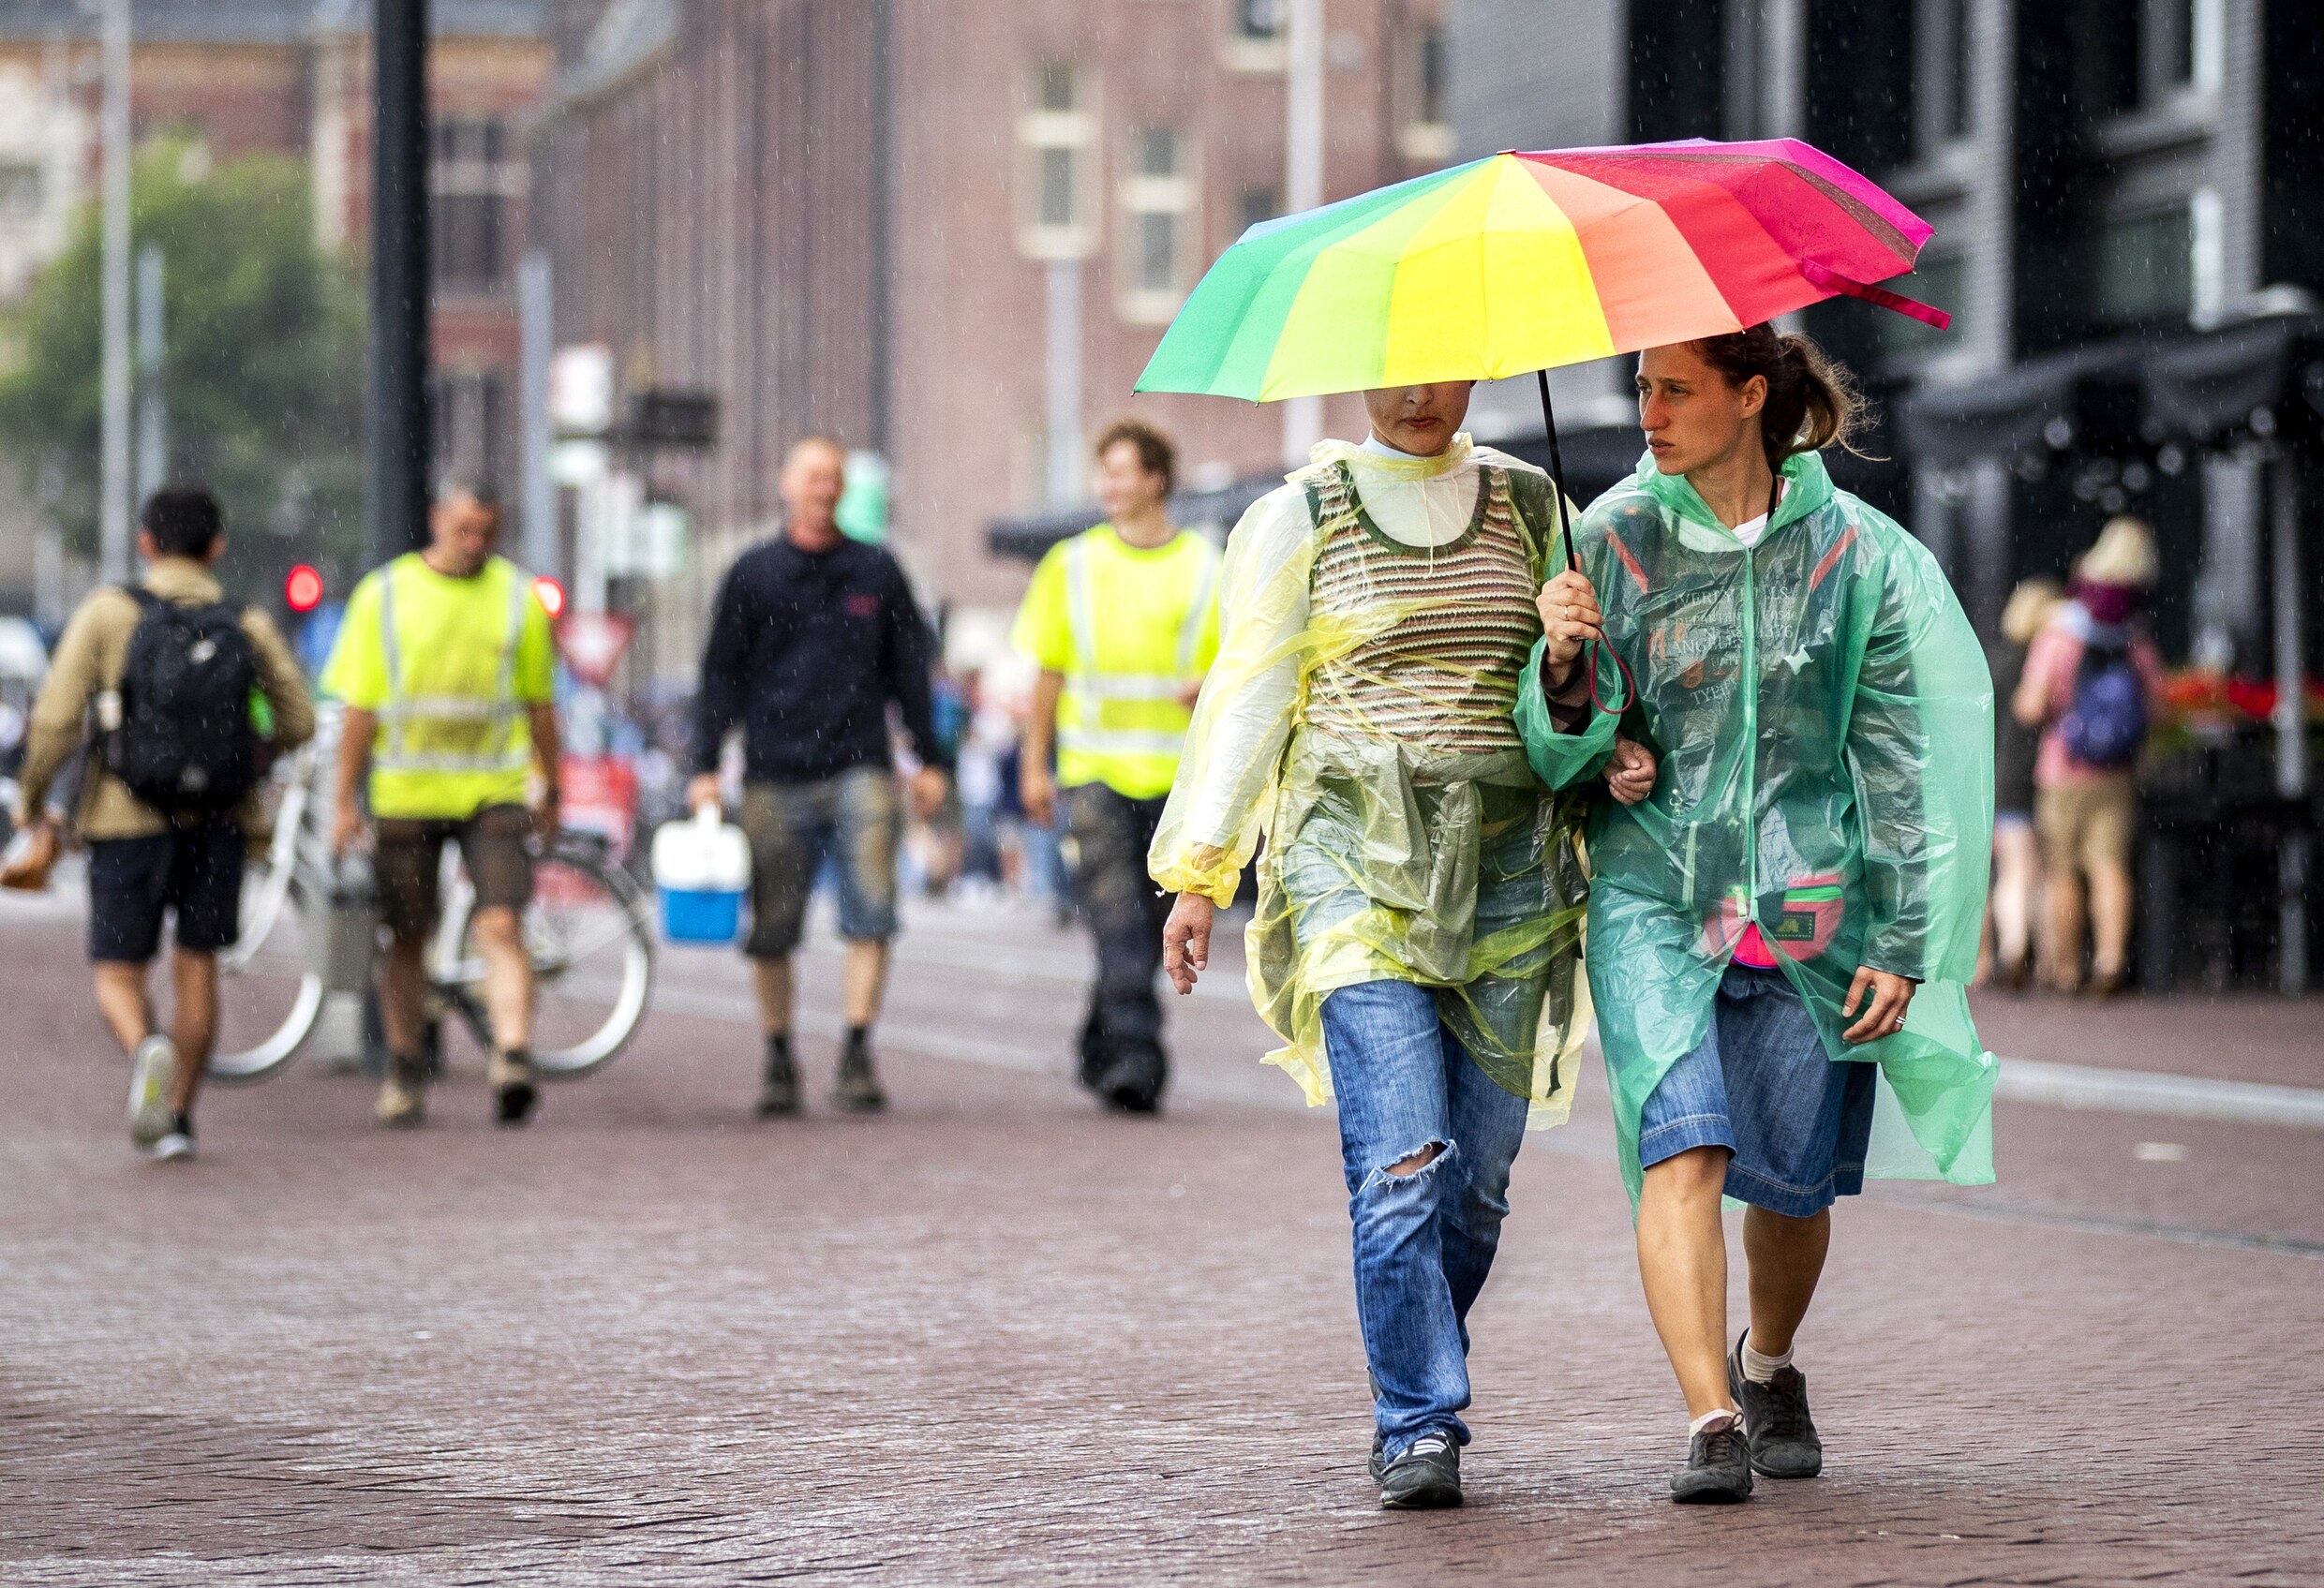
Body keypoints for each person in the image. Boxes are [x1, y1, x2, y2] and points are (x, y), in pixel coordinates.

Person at [1153, 383, 1654, 1510]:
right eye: (1395, 370)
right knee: (1400, 1169)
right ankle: (1417, 1422)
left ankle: (1411, 1351)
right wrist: (1200, 869)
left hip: (1510, 878)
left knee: (1470, 1191)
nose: (1419, 394)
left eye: (1441, 368)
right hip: (1350, 872)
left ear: (1475, 373)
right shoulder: (1303, 514)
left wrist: (1574, 658)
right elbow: (1250, 690)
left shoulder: (1533, 506)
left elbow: (1577, 709)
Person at [1516, 327, 1995, 1504]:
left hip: (1807, 907)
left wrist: (1900, 939)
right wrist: (1572, 678)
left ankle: (1768, 1364)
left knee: (1786, 1188)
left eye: (1672, 389)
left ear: (1747, 397)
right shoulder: (1608, 539)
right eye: (1640, 387)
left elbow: (1895, 759)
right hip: (1651, 903)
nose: (1646, 411)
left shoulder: (1854, 556)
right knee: (1679, 1144)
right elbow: (1560, 746)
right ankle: (1709, 1417)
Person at [10, 486, 314, 1160]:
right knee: (197, 964)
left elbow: (58, 719)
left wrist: (33, 801)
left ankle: (144, 1044)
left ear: (146, 541)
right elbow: (300, 719)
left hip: (125, 818)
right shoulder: (245, 621)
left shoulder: (107, 612)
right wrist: (246, 758)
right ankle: (177, 1113)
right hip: (220, 819)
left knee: (119, 969)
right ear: (217, 545)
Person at [687, 437, 950, 1117]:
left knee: (873, 913)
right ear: (786, 484)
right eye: (811, 477)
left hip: (861, 764)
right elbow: (720, 675)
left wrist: (930, 758)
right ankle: (779, 1054)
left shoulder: (877, 570)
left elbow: (909, 674)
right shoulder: (752, 573)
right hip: (774, 771)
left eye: (833, 478)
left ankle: (857, 1047)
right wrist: (705, 763)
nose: (823, 489)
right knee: (772, 925)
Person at [323, 483, 560, 1129]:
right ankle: (405, 1069)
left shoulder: (518, 597)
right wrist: (344, 799)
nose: (475, 543)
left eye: (486, 530)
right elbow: (360, 710)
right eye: (463, 529)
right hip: (406, 795)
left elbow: (542, 704)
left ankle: (512, 1056)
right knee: (406, 937)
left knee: (502, 923)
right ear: (437, 520)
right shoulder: (385, 594)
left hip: (495, 789)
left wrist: (552, 783)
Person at [1014, 419, 1220, 1113]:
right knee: (1115, 919)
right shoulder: (1069, 565)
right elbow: (1048, 673)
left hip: (1175, 782)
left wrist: (1210, 684)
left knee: (1144, 923)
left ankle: (1100, 1044)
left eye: (1121, 471)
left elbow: (1238, 667)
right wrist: (1033, 766)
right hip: (1094, 772)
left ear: (1156, 479)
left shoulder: (1204, 567)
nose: (1108, 485)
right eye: (1103, 471)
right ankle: (1137, 1056)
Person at [2013, 517, 2165, 997]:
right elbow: (2158, 707)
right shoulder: (2132, 634)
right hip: (2116, 771)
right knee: (2110, 867)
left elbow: (2030, 705)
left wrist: (2059, 713)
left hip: (2062, 769)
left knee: (2062, 872)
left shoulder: (2060, 632)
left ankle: (2066, 968)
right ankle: (2110, 960)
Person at [1979, 577, 2062, 988]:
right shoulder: (2048, 661)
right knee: (2042, 874)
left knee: (2013, 871)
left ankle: (2012, 952)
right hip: (2041, 776)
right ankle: (2047, 960)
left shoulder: (1997, 661)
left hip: (2001, 777)